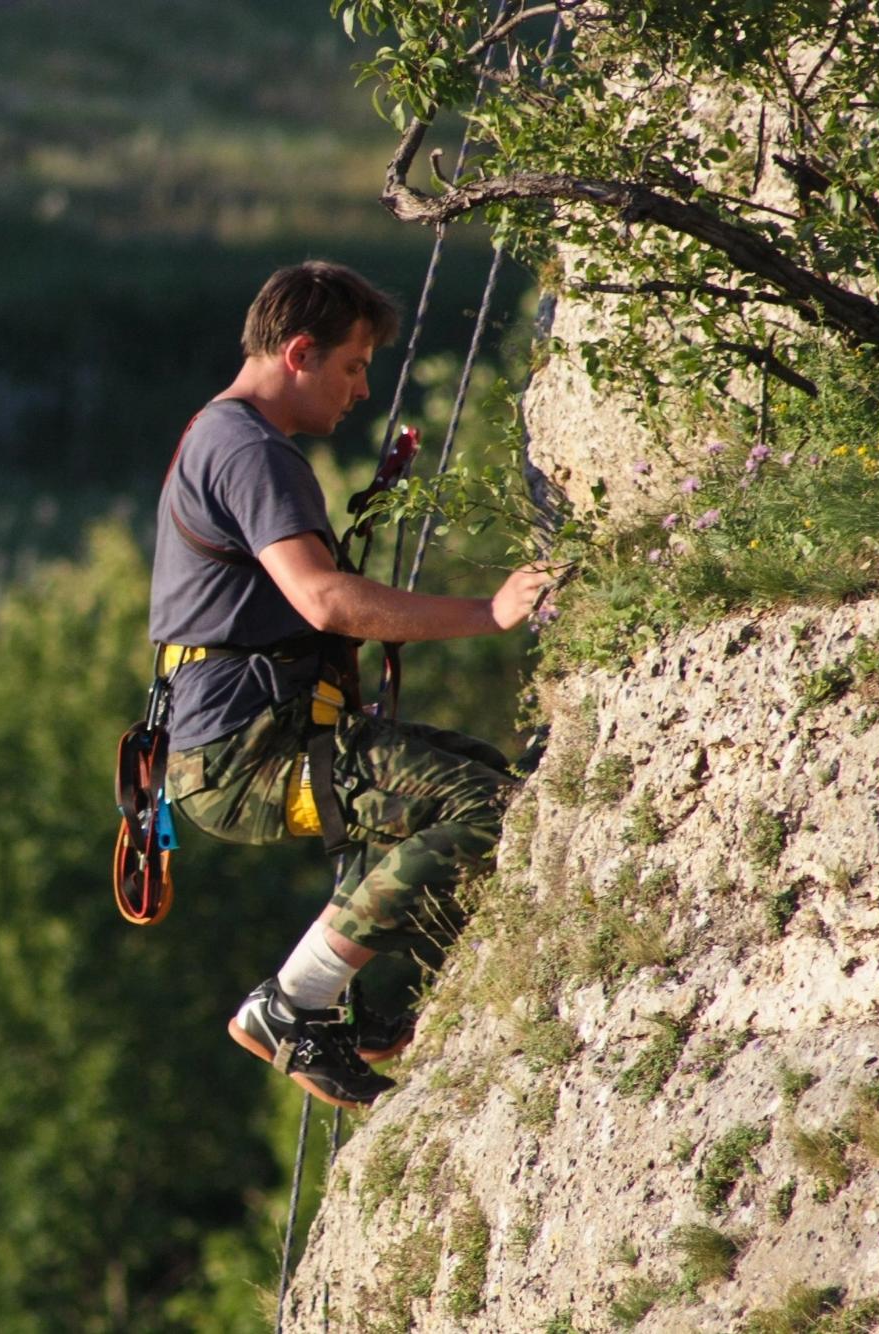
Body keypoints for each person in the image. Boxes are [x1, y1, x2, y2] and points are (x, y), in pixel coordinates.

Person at [151, 260, 553, 1108]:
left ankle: (348, 999)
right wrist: (490, 611)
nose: (362, 390)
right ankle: (294, 1001)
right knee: (482, 809)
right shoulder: (251, 452)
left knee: (510, 788)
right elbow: (325, 601)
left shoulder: (222, 439)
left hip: (246, 743)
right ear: (299, 352)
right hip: (245, 758)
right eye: (351, 366)